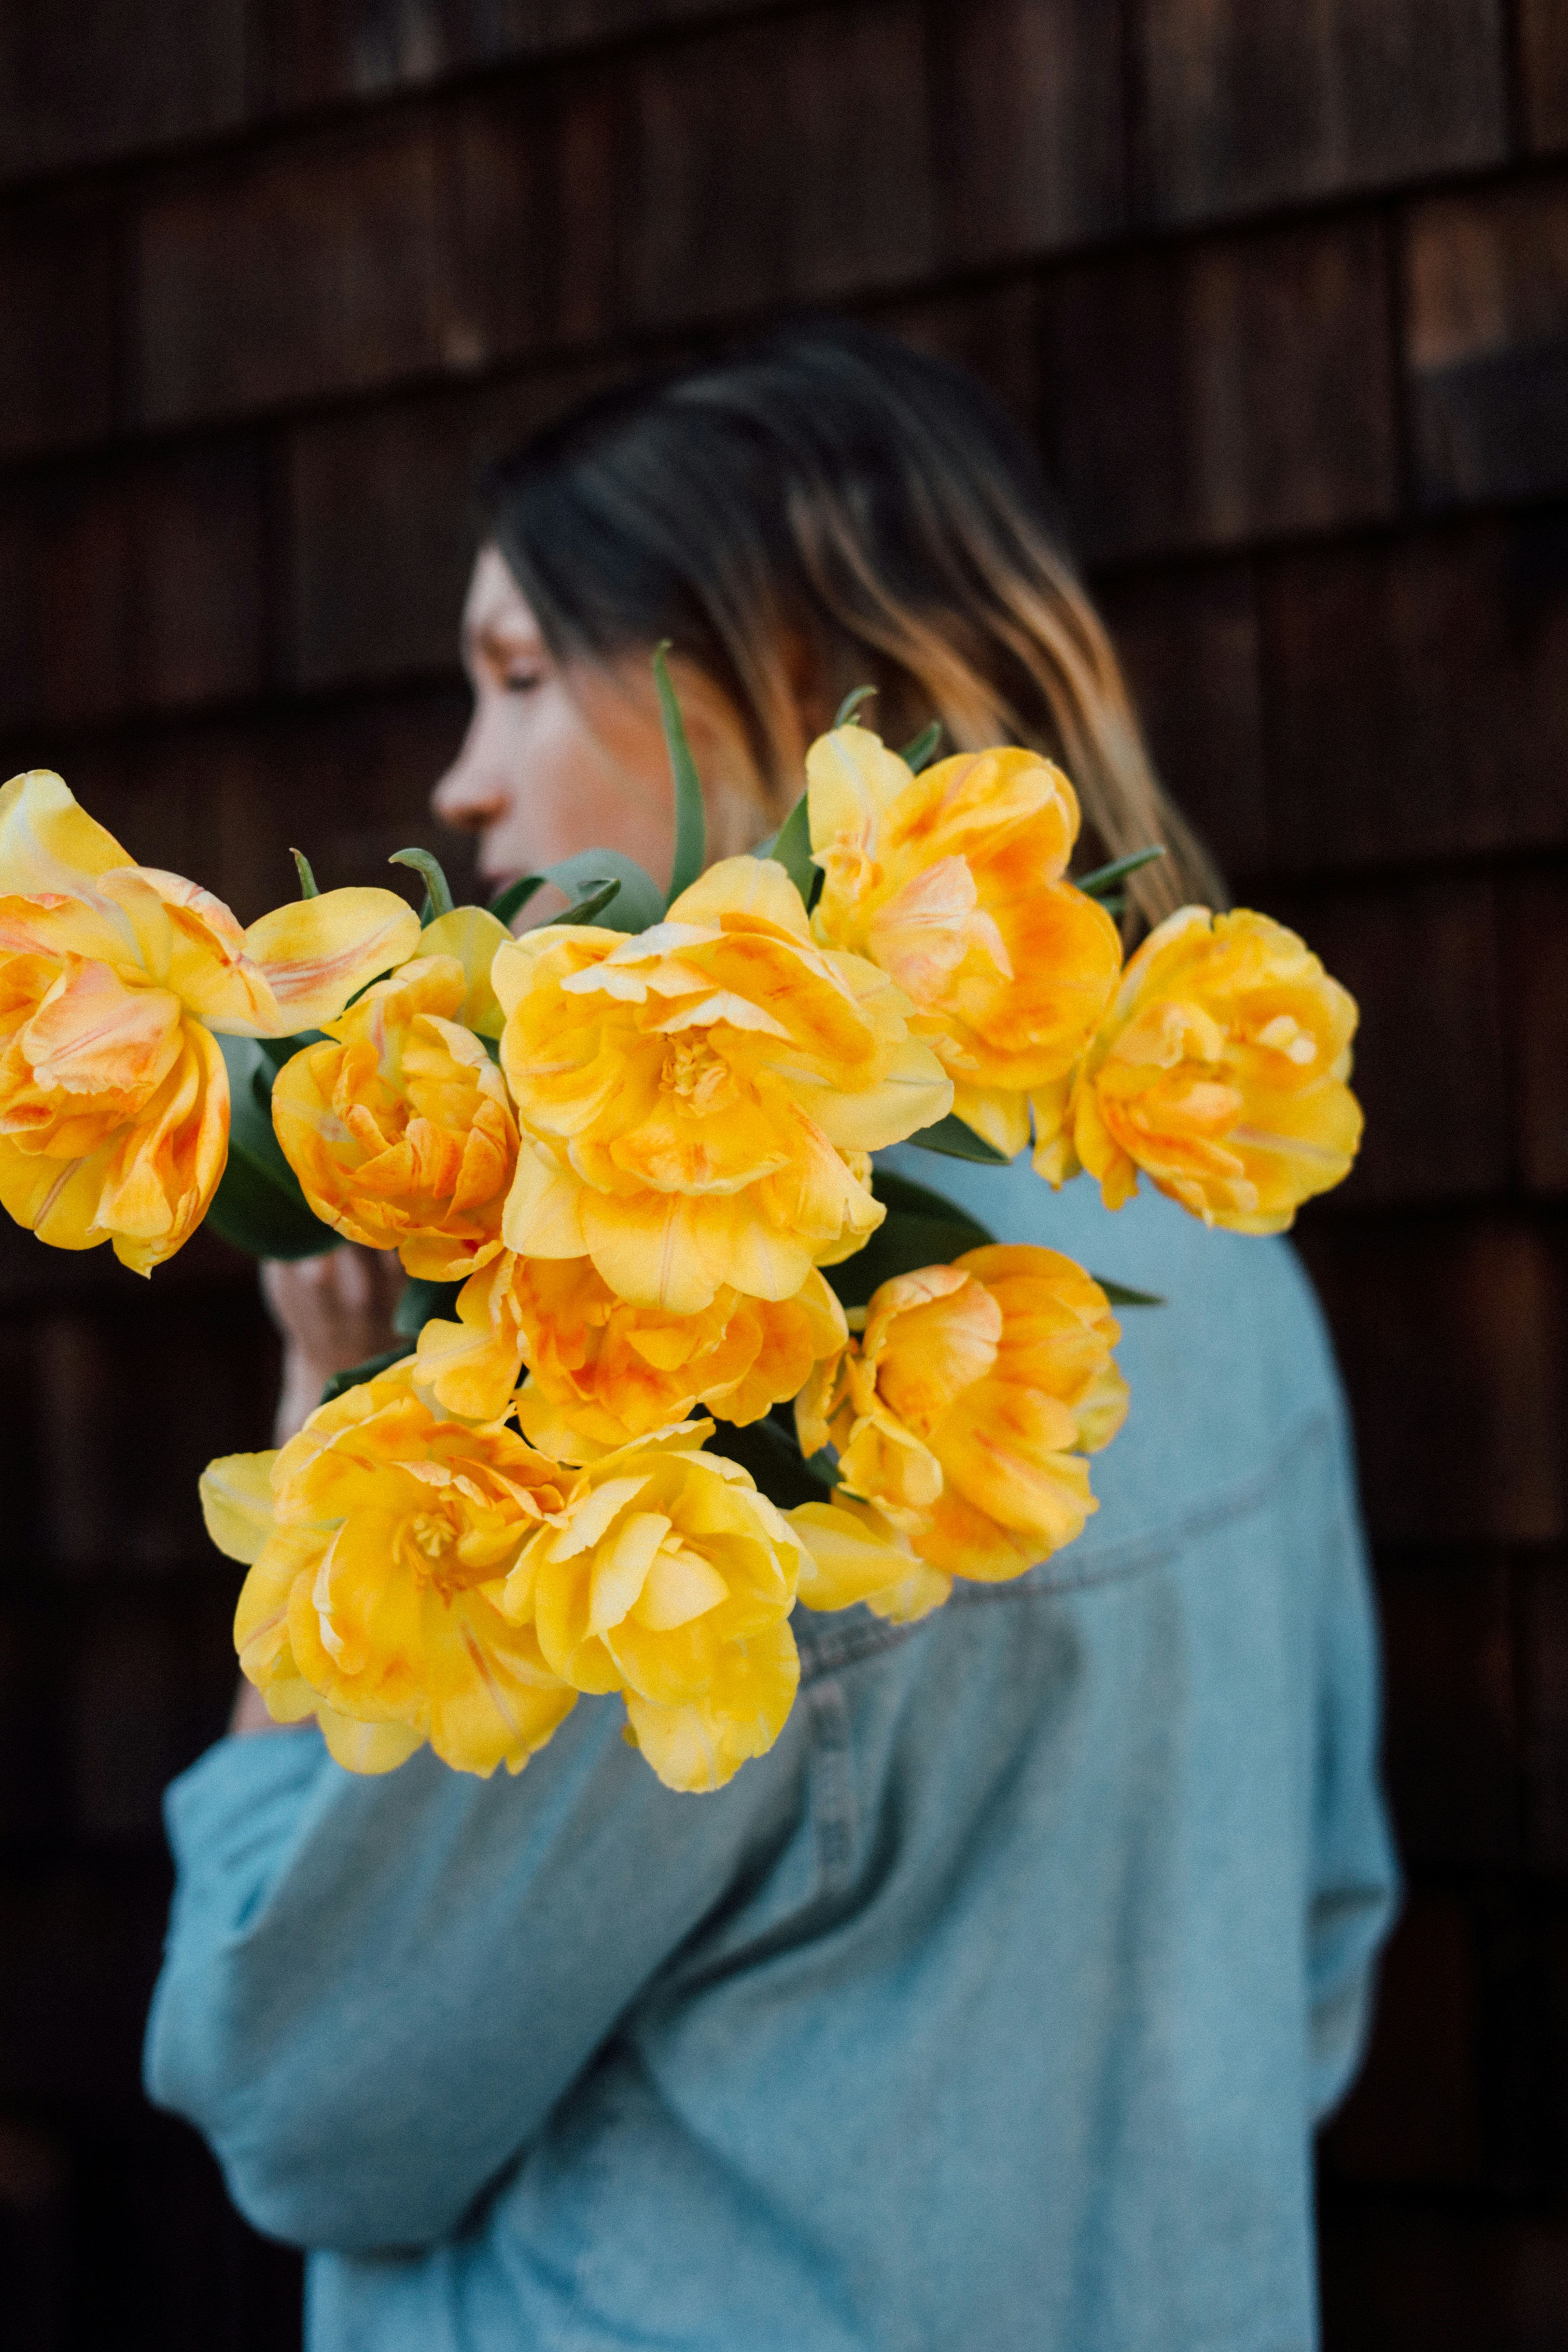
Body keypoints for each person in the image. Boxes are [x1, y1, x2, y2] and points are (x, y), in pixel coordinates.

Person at [146, 322, 1396, 2351]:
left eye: (523, 676)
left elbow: (301, 2098)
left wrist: (320, 1423)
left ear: (786, 695)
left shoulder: (691, 1388)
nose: (461, 779)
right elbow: (1312, 1953)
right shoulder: (1217, 1250)